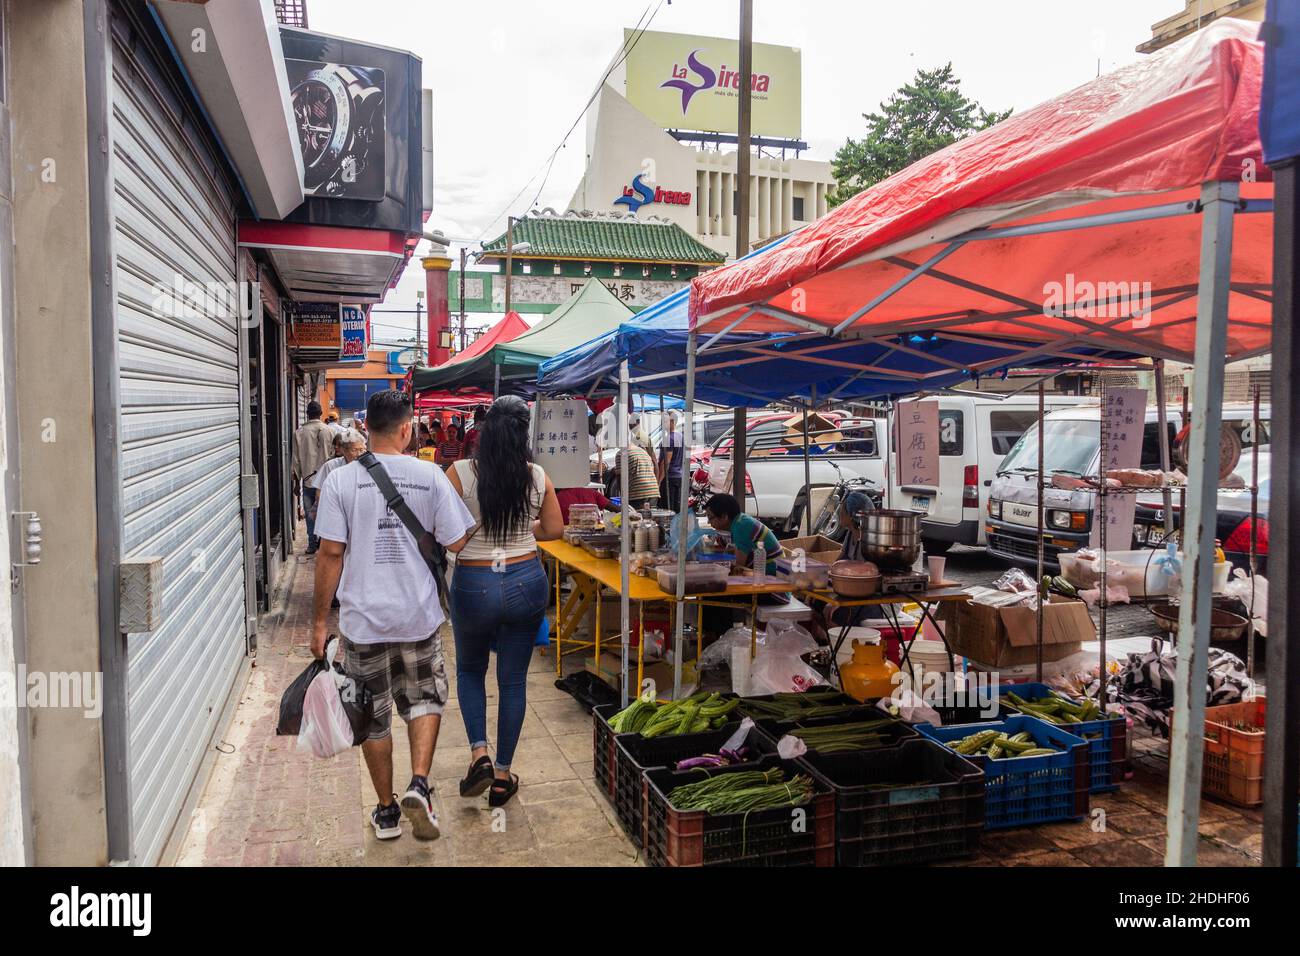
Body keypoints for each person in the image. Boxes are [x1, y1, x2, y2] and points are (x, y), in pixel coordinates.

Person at [312, 390, 475, 842]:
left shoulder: (342, 481)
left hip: (363, 623)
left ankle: (386, 812)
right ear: (407, 429)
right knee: (424, 698)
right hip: (418, 616)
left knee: (373, 716)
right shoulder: (430, 475)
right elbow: (458, 542)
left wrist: (320, 624)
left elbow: (329, 553)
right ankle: (419, 784)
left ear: (366, 428)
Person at [446, 396, 564, 807]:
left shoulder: (458, 473)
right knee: (512, 680)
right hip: (524, 579)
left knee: (470, 670)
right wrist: (521, 523)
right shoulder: (536, 476)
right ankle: (501, 776)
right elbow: (553, 529)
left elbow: (445, 534)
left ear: (485, 429)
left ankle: (479, 752)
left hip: (474, 581)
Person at [291, 400, 338, 555]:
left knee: (311, 514)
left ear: (307, 414)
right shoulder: (330, 432)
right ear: (320, 414)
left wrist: (296, 483)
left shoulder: (299, 433)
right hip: (328, 481)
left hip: (309, 482)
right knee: (329, 512)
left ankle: (312, 544)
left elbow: (296, 460)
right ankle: (324, 543)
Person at [704, 492, 780, 576]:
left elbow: (738, 566)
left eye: (710, 517)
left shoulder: (741, 527)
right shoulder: (740, 521)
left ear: (724, 517)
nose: (708, 522)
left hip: (769, 574)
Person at [657, 410, 685, 512]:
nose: (663, 424)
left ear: (672, 422)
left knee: (668, 510)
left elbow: (666, 462)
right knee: (676, 509)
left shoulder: (669, 439)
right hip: (679, 477)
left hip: (669, 478)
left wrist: (659, 481)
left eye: (665, 421)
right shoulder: (681, 436)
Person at [625, 441, 660, 509]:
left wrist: (623, 497)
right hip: (653, 490)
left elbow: (620, 479)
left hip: (638, 492)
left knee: (636, 517)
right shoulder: (643, 451)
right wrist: (657, 484)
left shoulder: (621, 454)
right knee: (650, 516)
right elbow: (654, 463)